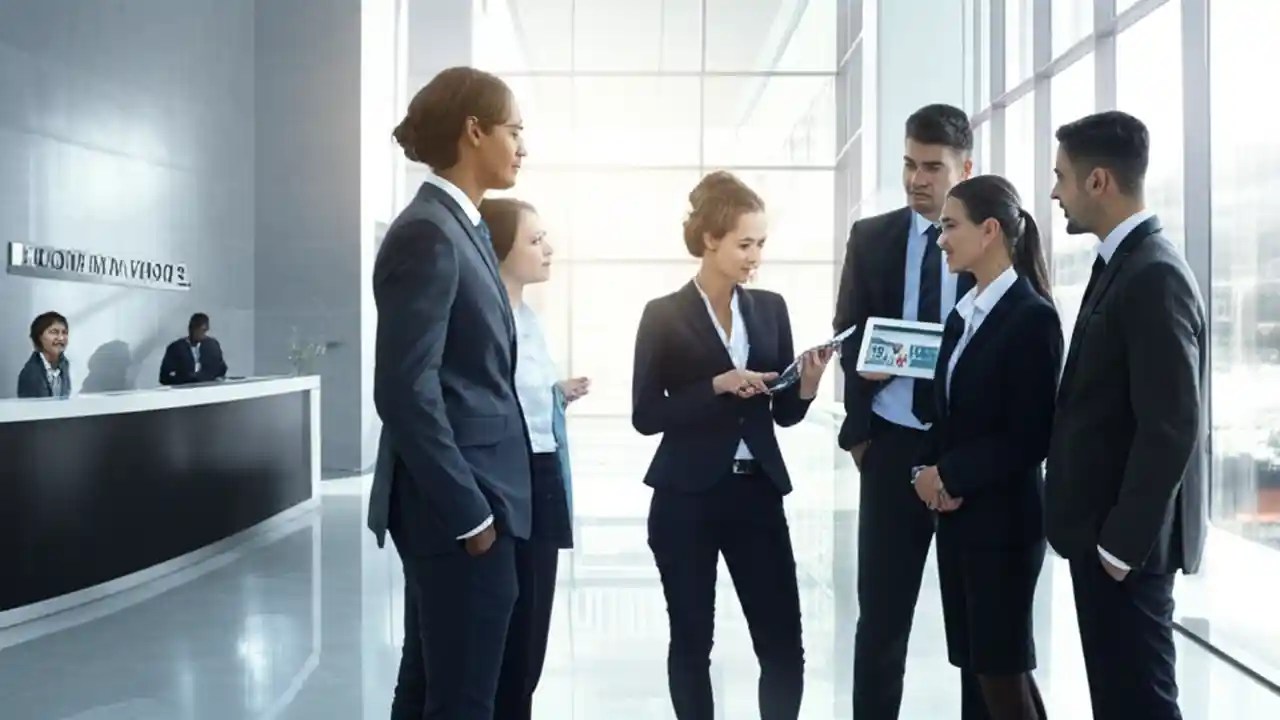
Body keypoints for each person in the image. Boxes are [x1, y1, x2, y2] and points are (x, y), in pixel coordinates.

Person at [632, 171, 834, 720]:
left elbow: (784, 413)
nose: (755, 257)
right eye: (745, 244)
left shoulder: (770, 308)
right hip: (685, 498)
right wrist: (715, 386)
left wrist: (807, 385)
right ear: (709, 240)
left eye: (761, 244)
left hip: (757, 495)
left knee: (783, 645)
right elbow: (646, 415)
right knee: (692, 642)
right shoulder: (662, 314)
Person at [368, 66, 531, 720]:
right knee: (462, 700)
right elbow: (405, 390)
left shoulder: (462, 227)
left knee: (430, 688)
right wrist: (472, 515)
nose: (523, 147)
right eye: (514, 130)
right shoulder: (429, 233)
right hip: (460, 506)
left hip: (471, 498)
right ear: (474, 131)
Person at [1045, 111, 1206, 720]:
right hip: (1102, 539)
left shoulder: (1153, 272)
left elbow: (1171, 425)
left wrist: (1120, 547)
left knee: (1141, 705)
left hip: (1124, 551)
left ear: (1099, 181)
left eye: (1061, 177)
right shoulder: (1124, 262)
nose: (1055, 192)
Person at [832, 103, 976, 719]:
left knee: (977, 623)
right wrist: (861, 430)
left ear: (964, 169)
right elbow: (846, 330)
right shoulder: (872, 238)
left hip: (966, 449)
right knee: (882, 619)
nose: (917, 180)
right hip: (891, 442)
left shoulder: (996, 234)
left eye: (932, 167)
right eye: (909, 165)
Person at [914, 175, 1060, 720]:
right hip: (958, 521)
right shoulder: (964, 315)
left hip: (1004, 526)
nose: (941, 239)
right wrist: (924, 472)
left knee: (1000, 676)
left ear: (990, 230)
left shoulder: (1031, 318)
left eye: (950, 226)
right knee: (981, 673)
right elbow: (945, 414)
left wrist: (950, 476)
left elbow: (1030, 435)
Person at [479, 197, 588, 719]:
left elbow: (520, 395)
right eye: (535, 240)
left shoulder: (528, 317)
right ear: (500, 249)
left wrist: (556, 393)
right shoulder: (486, 320)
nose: (549, 248)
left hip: (542, 474)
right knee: (509, 639)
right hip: (508, 482)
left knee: (531, 634)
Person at [159, 313, 227, 385]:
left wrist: (206, 377)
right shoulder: (176, 348)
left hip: (208, 387)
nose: (204, 334)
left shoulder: (212, 346)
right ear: (192, 329)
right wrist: (185, 379)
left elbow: (221, 369)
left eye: (205, 330)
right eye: (202, 330)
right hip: (184, 388)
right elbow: (164, 377)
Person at [17, 312, 71, 399]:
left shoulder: (64, 364)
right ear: (39, 337)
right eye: (54, 332)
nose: (61, 338)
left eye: (64, 332)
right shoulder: (31, 373)